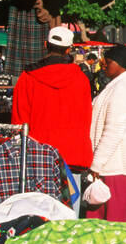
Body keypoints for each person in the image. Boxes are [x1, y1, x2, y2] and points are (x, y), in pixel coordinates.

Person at [11, 26, 93, 170]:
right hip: (73, 155)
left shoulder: (27, 77)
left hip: (37, 157)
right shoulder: (81, 78)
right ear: (68, 49)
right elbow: (86, 118)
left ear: (45, 45)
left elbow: (19, 122)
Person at [86, 44, 126, 223]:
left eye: (108, 62)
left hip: (114, 165)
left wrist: (96, 164)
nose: (104, 66)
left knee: (114, 218)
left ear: (120, 64)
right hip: (110, 163)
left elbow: (114, 130)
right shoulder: (119, 84)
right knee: (104, 217)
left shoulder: (123, 89)